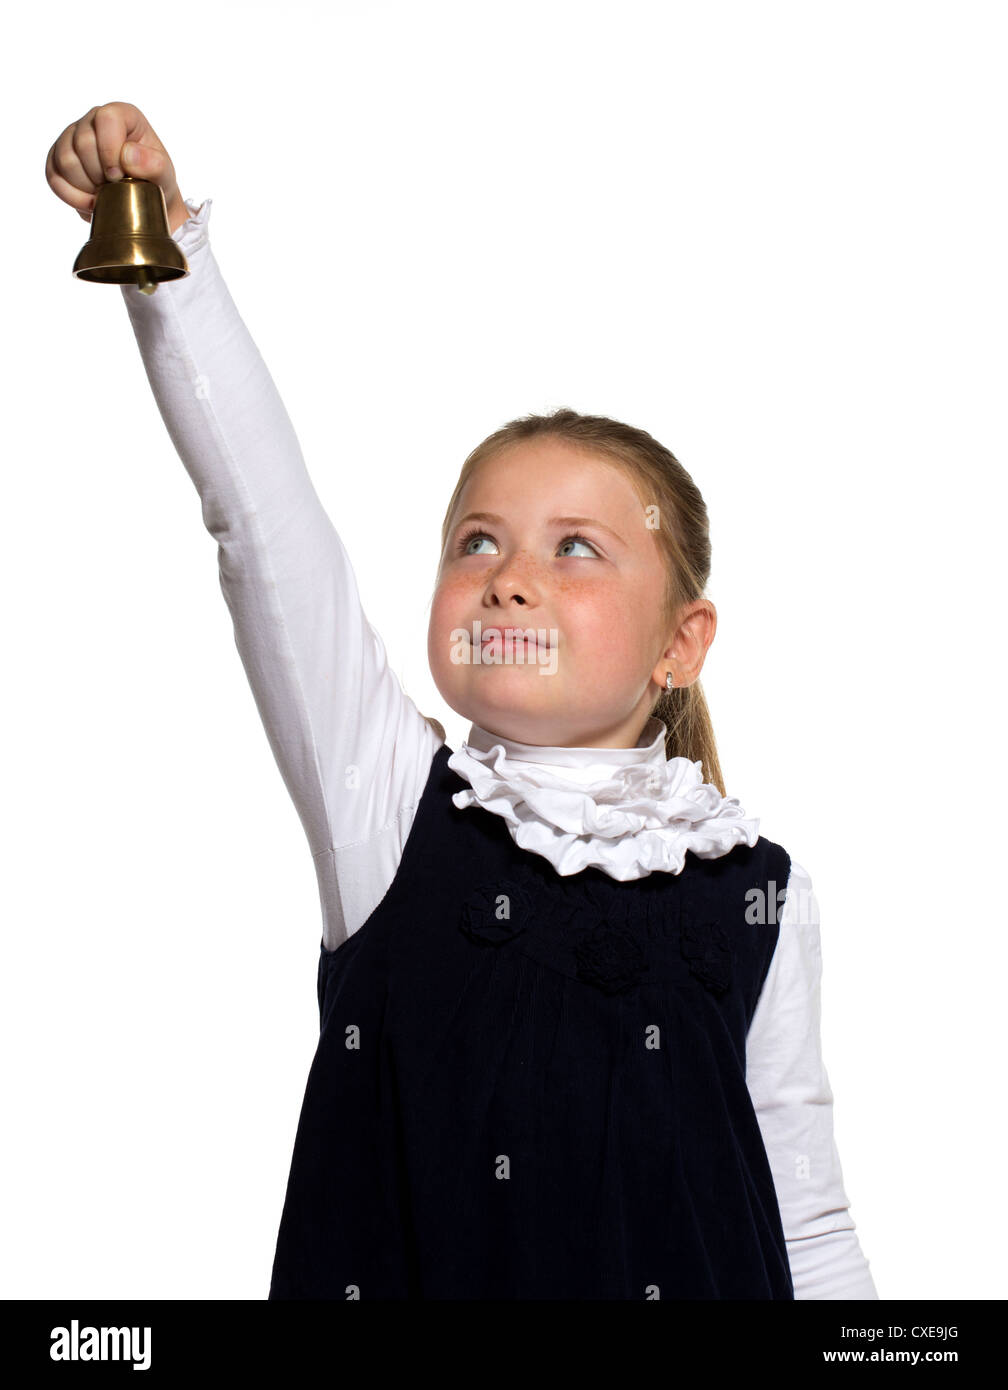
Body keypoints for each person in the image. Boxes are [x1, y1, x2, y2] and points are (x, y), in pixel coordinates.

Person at [47, 102, 879, 1301]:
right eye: (476, 539)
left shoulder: (764, 892)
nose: (511, 572)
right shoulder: (390, 814)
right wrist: (169, 258)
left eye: (578, 547)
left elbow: (809, 1216)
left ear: (680, 645)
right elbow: (266, 532)